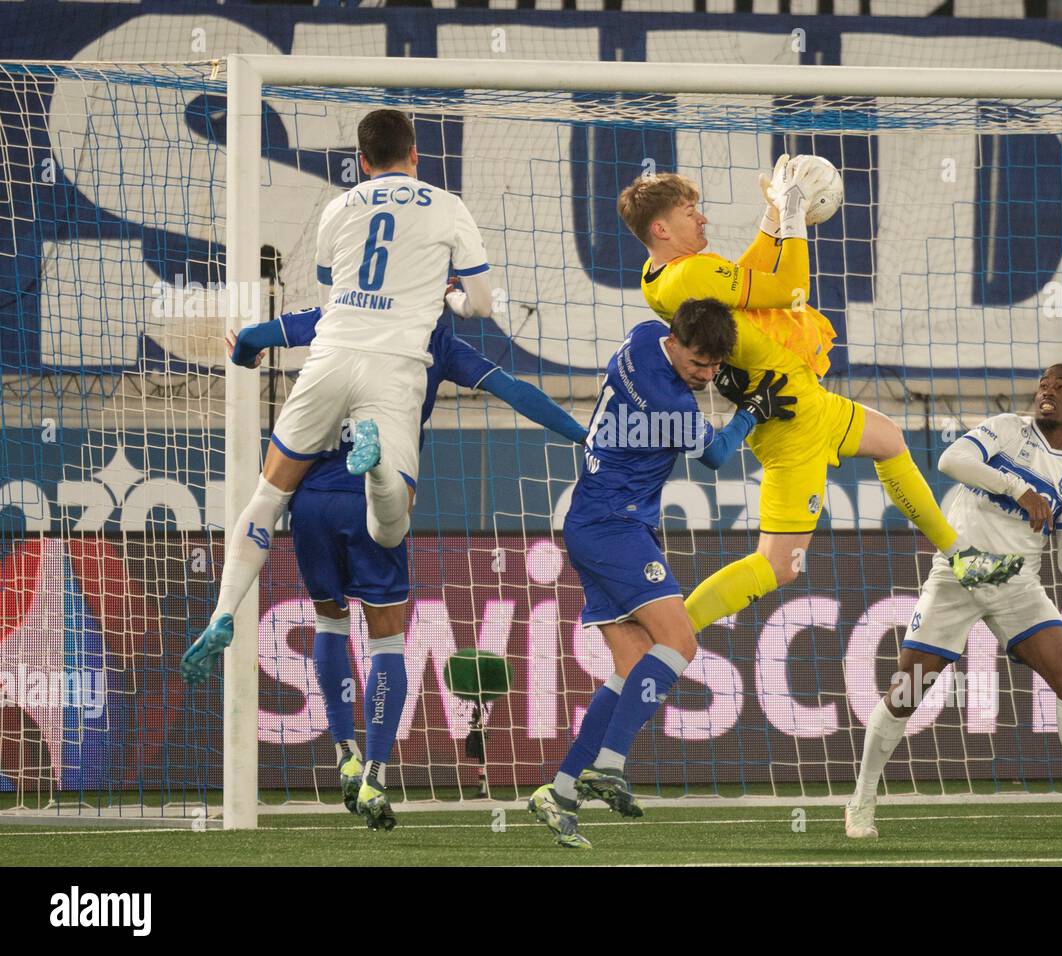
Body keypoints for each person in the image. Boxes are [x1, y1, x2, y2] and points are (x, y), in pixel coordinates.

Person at [617, 157, 1023, 645]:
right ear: (662, 227)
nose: (701, 218)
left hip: (805, 398)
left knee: (890, 439)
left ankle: (960, 557)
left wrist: (772, 220)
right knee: (778, 565)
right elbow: (789, 290)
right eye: (689, 212)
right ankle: (665, 635)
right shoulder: (688, 277)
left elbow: (743, 277)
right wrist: (790, 212)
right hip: (793, 421)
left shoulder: (658, 273)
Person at [223, 306, 587, 829]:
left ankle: (344, 750)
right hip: (375, 504)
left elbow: (264, 334)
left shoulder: (342, 310)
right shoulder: (437, 339)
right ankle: (374, 771)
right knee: (387, 641)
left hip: (311, 501)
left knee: (329, 620)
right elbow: (513, 390)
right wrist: (581, 434)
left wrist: (247, 347)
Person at [183, 108, 493, 689]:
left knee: (268, 495)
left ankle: (225, 609)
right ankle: (374, 469)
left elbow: (331, 304)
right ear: (415, 154)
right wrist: (446, 296)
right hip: (394, 370)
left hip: (328, 358)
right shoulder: (448, 206)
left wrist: (253, 340)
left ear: (363, 162)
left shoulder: (338, 208)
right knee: (391, 528)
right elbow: (481, 303)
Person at [529, 298, 795, 848]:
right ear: (676, 343)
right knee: (679, 641)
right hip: (613, 526)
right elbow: (718, 456)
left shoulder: (642, 334)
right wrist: (752, 410)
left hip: (593, 520)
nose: (706, 375)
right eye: (699, 363)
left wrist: (728, 386)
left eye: (714, 367)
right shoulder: (669, 400)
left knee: (630, 665)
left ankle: (557, 791)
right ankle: (609, 763)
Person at [845, 365, 1062, 840]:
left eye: (1061, 388)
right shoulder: (1005, 429)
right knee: (906, 692)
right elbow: (950, 462)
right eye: (1044, 385)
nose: (1048, 392)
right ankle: (861, 801)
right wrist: (1017, 487)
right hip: (960, 572)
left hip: (1018, 582)